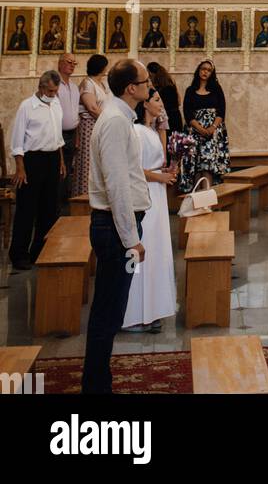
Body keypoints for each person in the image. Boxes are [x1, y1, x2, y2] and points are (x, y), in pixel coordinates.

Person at [82, 59, 150, 394]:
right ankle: (95, 387)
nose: (150, 85)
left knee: (110, 309)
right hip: (113, 227)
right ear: (131, 88)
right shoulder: (113, 122)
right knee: (108, 311)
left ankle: (98, 382)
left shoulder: (120, 118)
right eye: (145, 80)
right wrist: (131, 239)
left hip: (117, 226)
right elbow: (117, 185)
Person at [122, 88, 177, 333]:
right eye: (156, 100)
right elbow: (133, 168)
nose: (161, 104)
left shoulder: (152, 131)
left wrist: (167, 173)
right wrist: (159, 177)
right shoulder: (136, 131)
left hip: (157, 193)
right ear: (144, 105)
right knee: (140, 253)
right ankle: (132, 314)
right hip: (145, 194)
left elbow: (155, 163)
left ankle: (152, 309)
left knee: (155, 250)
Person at [9, 69, 65, 270]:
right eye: (49, 91)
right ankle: (19, 254)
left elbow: (57, 136)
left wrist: (60, 161)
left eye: (55, 91)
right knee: (27, 209)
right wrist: (20, 168)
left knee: (49, 208)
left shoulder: (56, 103)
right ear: (41, 88)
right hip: (32, 160)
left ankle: (40, 250)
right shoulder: (27, 107)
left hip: (52, 158)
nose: (52, 95)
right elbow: (17, 140)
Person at [177, 59, 230, 192]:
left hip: (212, 133)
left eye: (208, 70)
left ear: (212, 73)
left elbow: (221, 111)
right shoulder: (190, 90)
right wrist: (199, 128)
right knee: (195, 167)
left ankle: (207, 202)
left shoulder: (216, 89)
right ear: (198, 71)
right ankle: (196, 202)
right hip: (194, 131)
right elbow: (187, 112)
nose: (205, 72)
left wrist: (212, 128)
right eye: (203, 69)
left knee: (208, 166)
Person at [72, 53, 109, 197]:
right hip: (89, 126)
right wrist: (108, 120)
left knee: (99, 162)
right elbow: (92, 108)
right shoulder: (88, 83)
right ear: (101, 67)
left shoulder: (102, 83)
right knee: (88, 162)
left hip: (100, 125)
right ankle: (83, 196)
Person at [56, 51, 80, 200]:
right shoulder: (54, 84)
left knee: (68, 169)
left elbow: (76, 113)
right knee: (58, 169)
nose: (72, 66)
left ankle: (64, 203)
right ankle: (55, 206)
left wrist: (77, 137)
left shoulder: (74, 86)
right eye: (68, 62)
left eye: (74, 63)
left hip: (72, 134)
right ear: (60, 63)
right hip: (58, 133)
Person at [146, 61, 183, 133]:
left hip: (166, 120)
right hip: (176, 117)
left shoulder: (157, 89)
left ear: (151, 74)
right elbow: (179, 102)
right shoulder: (171, 84)